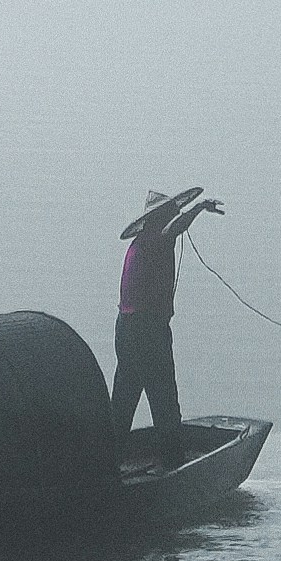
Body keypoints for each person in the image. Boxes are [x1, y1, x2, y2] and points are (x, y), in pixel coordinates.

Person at [113, 183, 217, 455]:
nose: (173, 216)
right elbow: (175, 228)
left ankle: (109, 458)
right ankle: (172, 460)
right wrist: (199, 208)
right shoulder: (155, 240)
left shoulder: (139, 244)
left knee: (124, 397)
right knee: (164, 399)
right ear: (158, 218)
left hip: (126, 328)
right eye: (169, 213)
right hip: (148, 330)